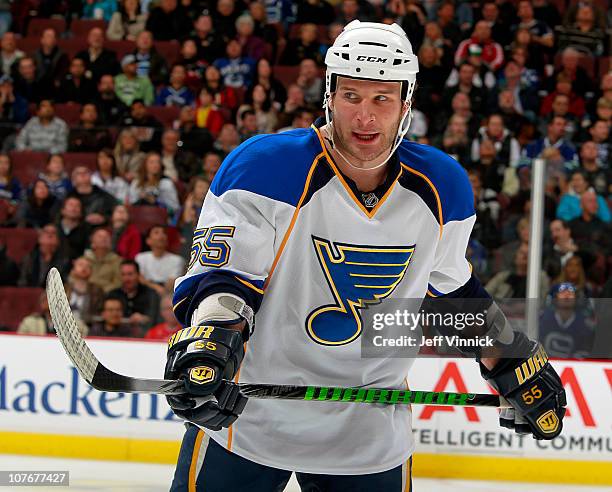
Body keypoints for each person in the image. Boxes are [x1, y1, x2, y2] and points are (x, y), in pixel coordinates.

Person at [167, 21, 566, 490]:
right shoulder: (265, 166)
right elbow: (226, 280)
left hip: (370, 432)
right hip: (249, 415)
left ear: (405, 106)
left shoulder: (443, 187)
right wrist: (213, 338)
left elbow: (450, 297)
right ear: (330, 96)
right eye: (352, 96)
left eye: (382, 99)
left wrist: (507, 359)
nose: (365, 118)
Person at [108, 259, 160, 330]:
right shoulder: (112, 295)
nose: (126, 278)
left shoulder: (150, 294)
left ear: (138, 275)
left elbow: (156, 318)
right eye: (123, 274)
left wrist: (144, 319)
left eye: (130, 274)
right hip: (117, 335)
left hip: (144, 334)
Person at [135, 224, 184, 295]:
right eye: (156, 232)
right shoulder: (140, 258)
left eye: (163, 233)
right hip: (144, 293)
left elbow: (171, 284)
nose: (161, 235)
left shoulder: (177, 260)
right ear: (148, 241)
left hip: (167, 294)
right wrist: (156, 287)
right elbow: (140, 280)